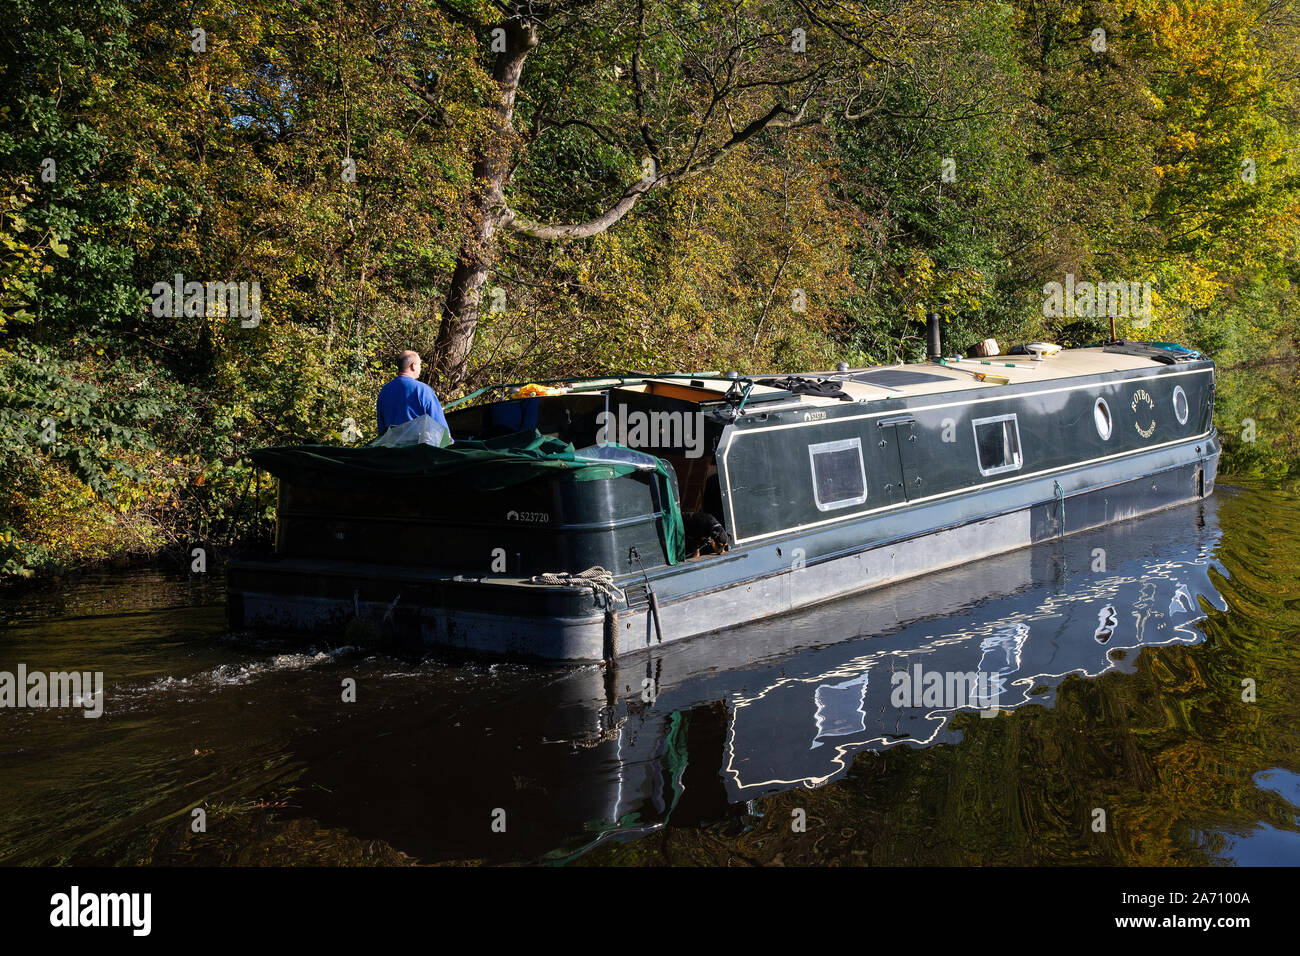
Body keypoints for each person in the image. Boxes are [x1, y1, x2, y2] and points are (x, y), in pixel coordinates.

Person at [376, 350, 450, 437]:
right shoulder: (423, 390)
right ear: (413, 366)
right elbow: (441, 430)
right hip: (417, 449)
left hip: (390, 448)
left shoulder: (384, 391)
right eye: (420, 365)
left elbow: (381, 430)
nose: (420, 368)